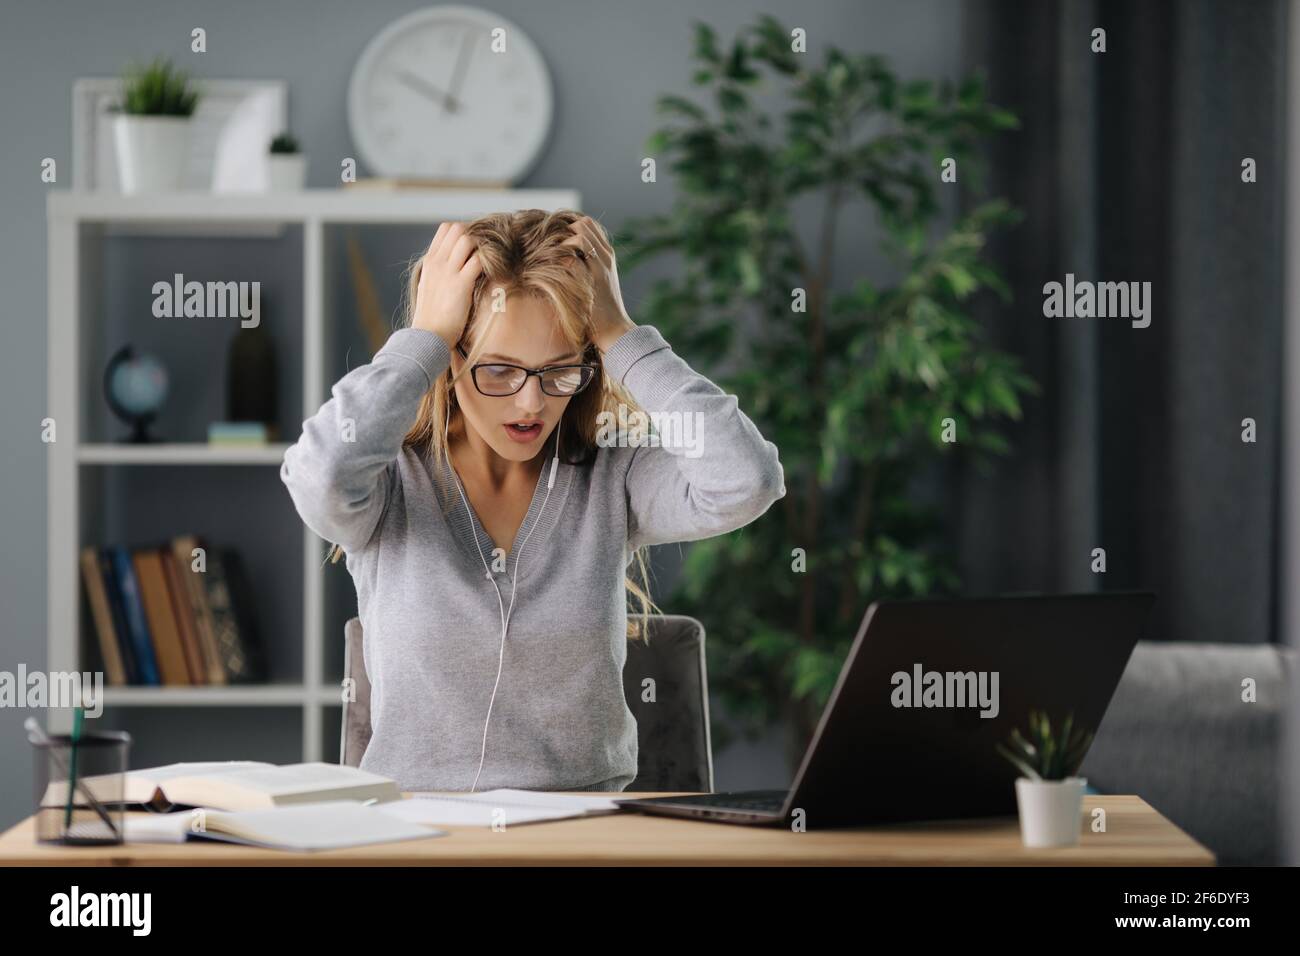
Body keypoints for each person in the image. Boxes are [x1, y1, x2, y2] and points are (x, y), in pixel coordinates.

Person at [281, 209, 785, 792]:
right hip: (419, 835)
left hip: (583, 838)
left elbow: (747, 479)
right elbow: (318, 477)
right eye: (499, 371)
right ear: (450, 363)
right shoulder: (387, 485)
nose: (530, 405)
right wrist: (422, 340)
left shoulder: (612, 475)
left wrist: (621, 336)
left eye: (558, 372)